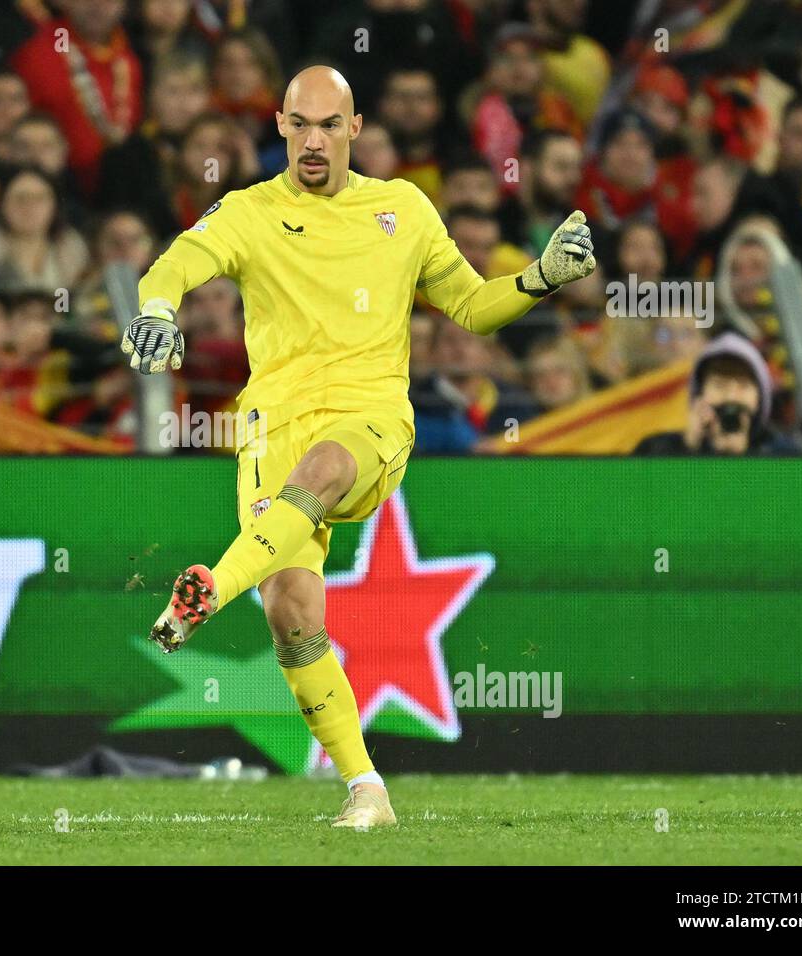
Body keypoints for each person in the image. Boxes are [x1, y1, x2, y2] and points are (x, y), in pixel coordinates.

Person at [119, 66, 596, 828]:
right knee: (296, 615)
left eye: (329, 125)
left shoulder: (401, 209)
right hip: (272, 425)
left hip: (369, 419)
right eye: (300, 125)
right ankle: (367, 790)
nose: (314, 141)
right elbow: (175, 263)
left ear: (355, 127)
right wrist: (157, 307)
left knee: (328, 468)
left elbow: (470, 306)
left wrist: (540, 277)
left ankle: (215, 584)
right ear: (279, 126)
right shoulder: (248, 211)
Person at [634, 332, 796, 455]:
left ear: (759, 399)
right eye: (720, 385)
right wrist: (687, 448)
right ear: (699, 393)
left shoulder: (785, 455)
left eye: (743, 386)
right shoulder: (657, 449)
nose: (731, 396)